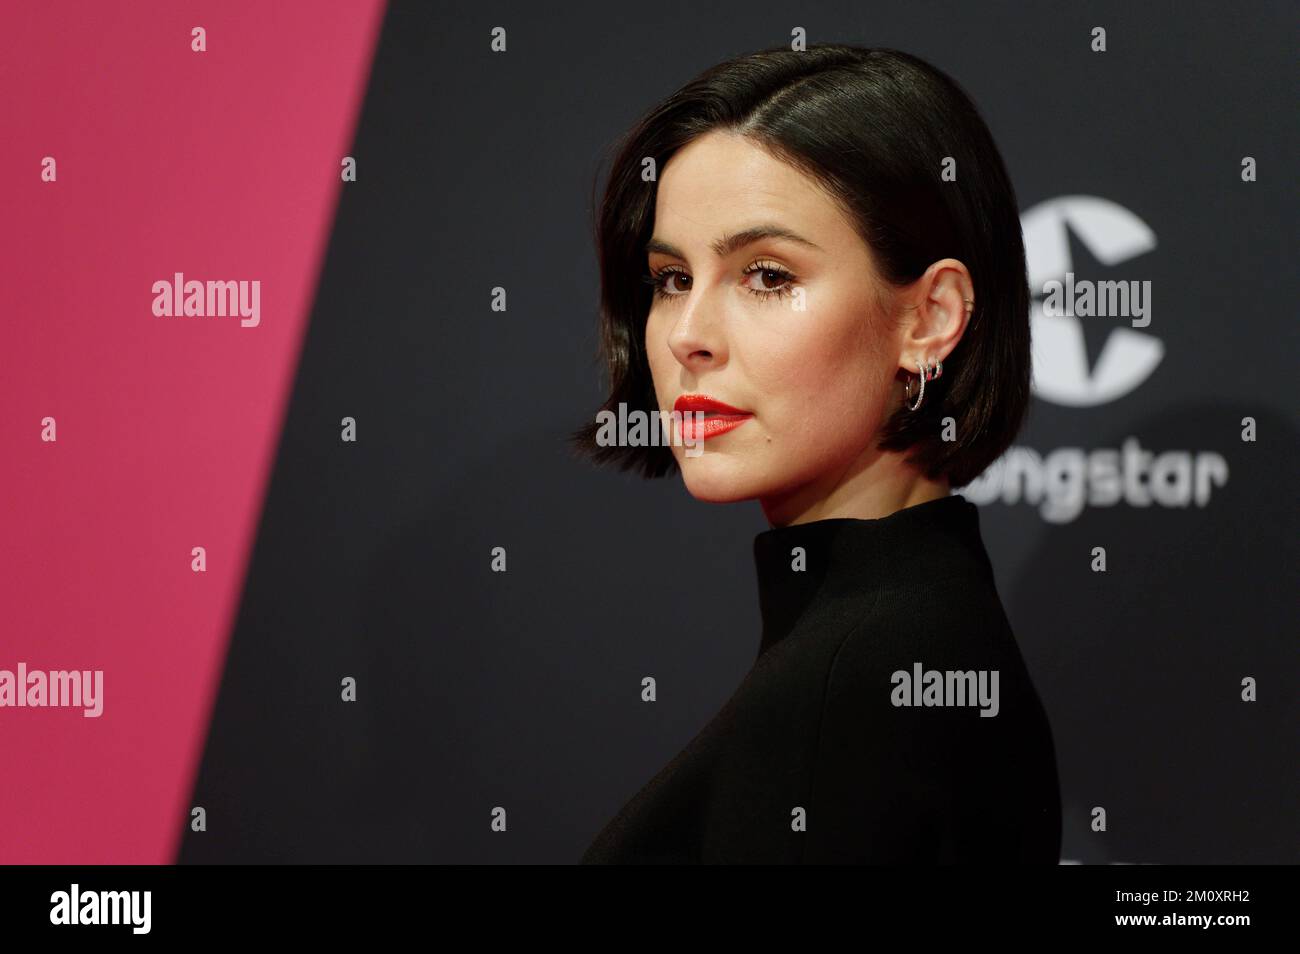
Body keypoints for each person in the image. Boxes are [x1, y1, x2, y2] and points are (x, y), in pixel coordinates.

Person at [572, 44, 1061, 863]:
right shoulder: (914, 637)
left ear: (930, 317)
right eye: (670, 278)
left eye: (765, 275)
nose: (688, 336)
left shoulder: (857, 688)